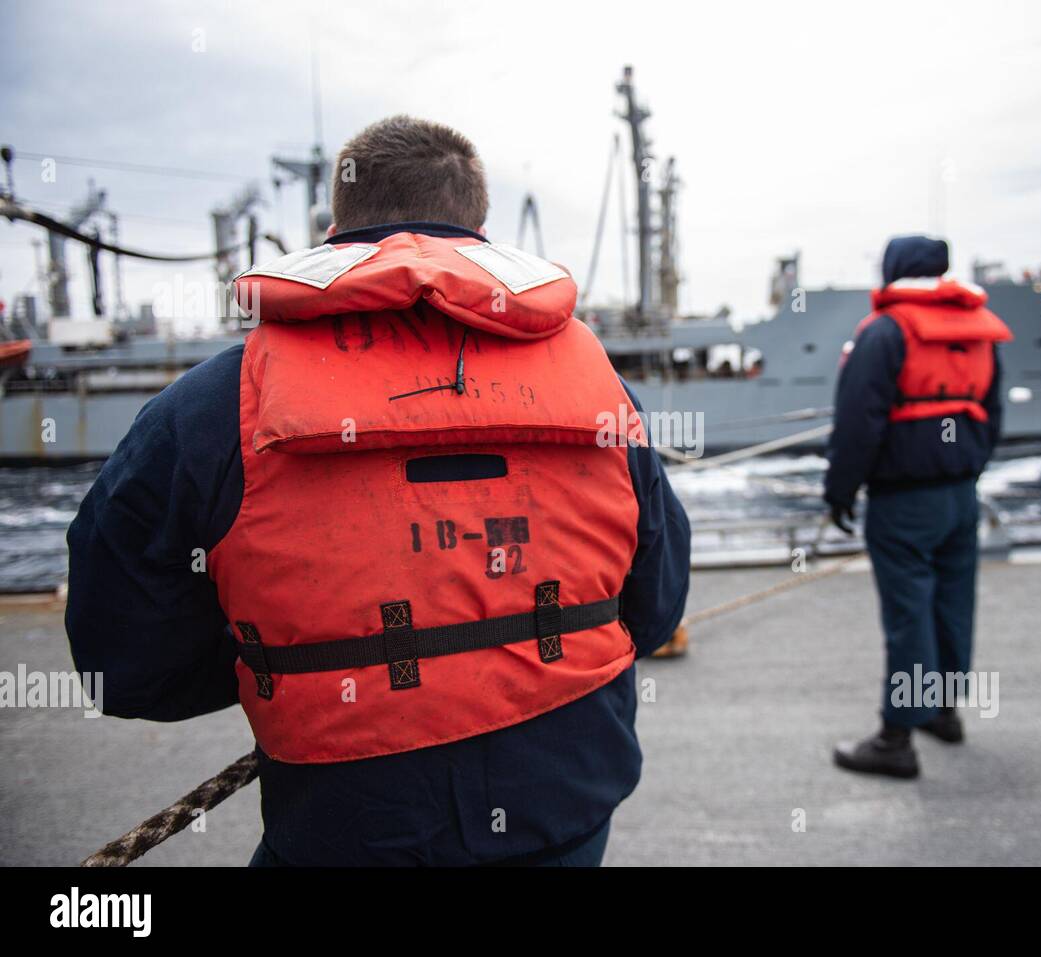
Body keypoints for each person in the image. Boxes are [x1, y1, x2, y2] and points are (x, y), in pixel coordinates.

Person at [65, 115, 691, 865]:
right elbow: (656, 603)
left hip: (351, 822)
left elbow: (121, 664)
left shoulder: (207, 409)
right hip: (568, 797)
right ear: (481, 231)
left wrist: (300, 664)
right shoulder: (600, 387)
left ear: (335, 228)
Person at [824, 235, 1011, 779]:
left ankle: (896, 739)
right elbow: (992, 414)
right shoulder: (979, 333)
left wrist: (840, 491)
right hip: (960, 496)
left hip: (902, 502)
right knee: (953, 605)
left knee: (908, 617)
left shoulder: (884, 333)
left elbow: (857, 424)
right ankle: (944, 713)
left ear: (892, 271)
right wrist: (967, 471)